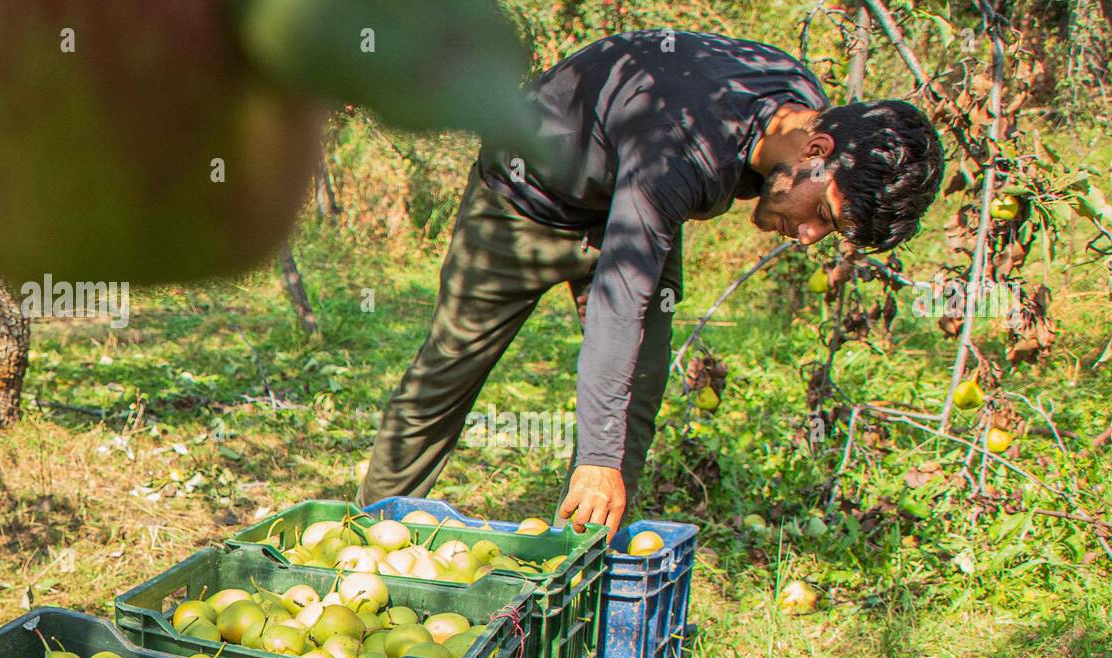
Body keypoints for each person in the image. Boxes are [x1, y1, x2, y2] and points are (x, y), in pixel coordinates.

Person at [357, 30, 944, 538]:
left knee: (637, 392)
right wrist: (597, 457)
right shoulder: (683, 149)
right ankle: (369, 535)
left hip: (632, 193)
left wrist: (606, 457)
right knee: (449, 370)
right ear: (817, 151)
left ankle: (580, 563)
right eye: (827, 214)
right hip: (525, 198)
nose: (811, 235)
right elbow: (620, 301)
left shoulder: (798, 101)